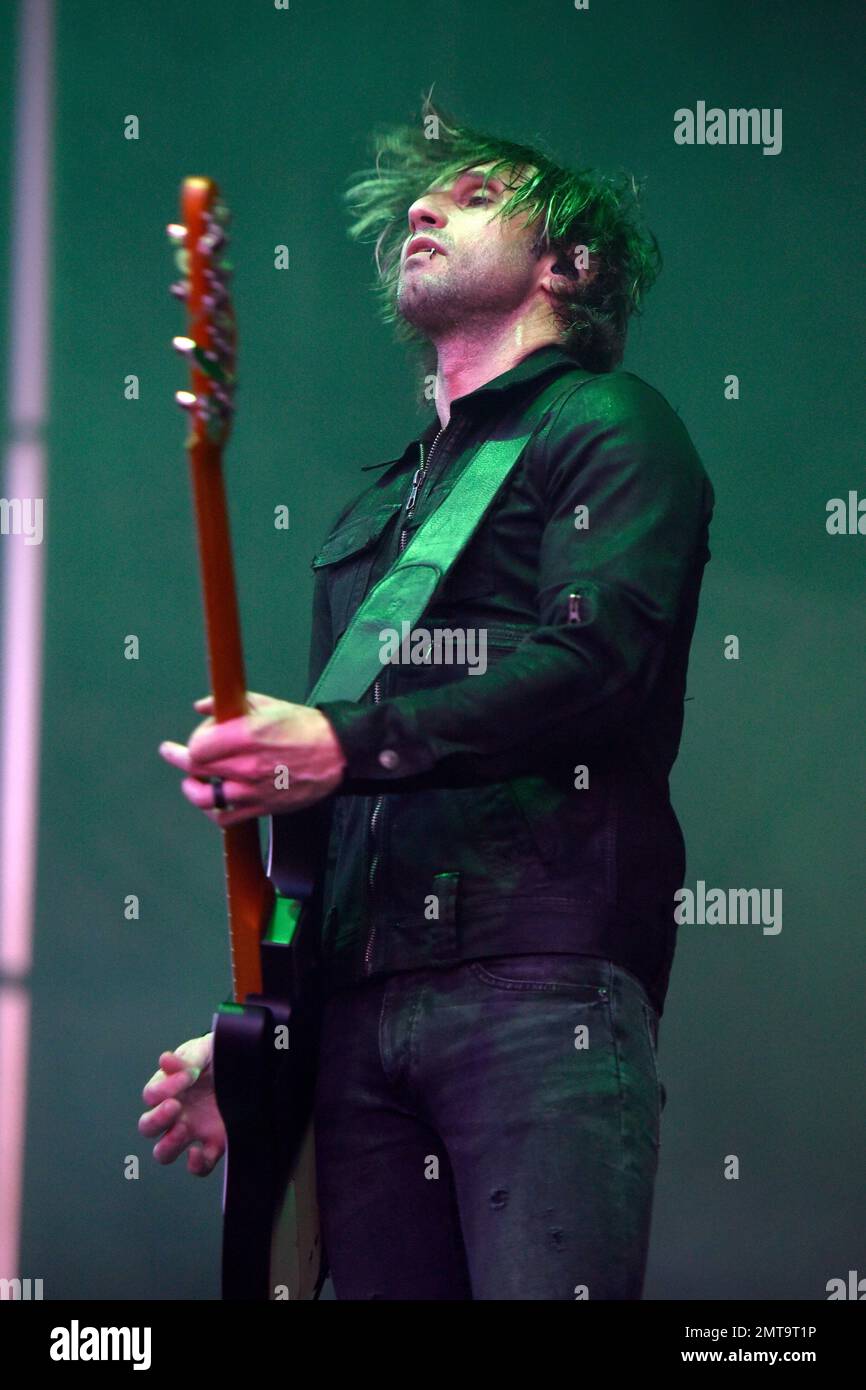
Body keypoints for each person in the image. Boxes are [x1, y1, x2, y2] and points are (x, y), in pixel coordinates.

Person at [140, 99, 714, 1300]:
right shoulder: (373, 514)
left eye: (475, 194)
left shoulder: (608, 426)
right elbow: (330, 826)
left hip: (535, 985)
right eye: (422, 195)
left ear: (570, 262)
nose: (421, 206)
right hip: (355, 1016)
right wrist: (260, 1033)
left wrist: (339, 741)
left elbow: (595, 672)